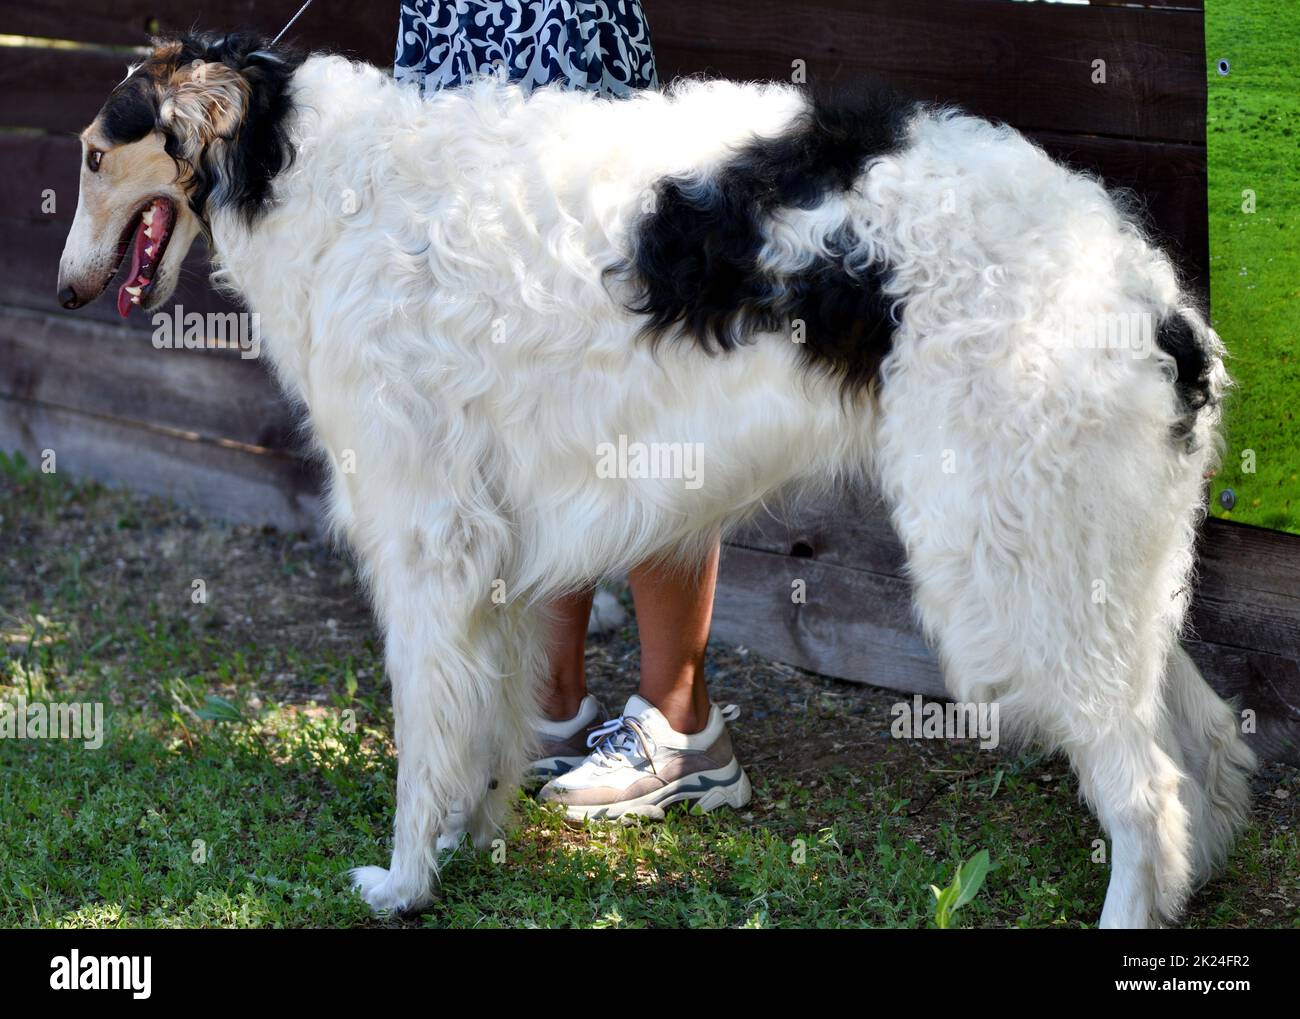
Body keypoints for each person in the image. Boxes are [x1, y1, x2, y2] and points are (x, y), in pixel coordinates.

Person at [394, 1, 750, 819]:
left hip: (558, 31)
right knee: (515, 379)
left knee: (633, 374)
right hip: (455, 37)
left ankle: (681, 723)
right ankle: (551, 701)